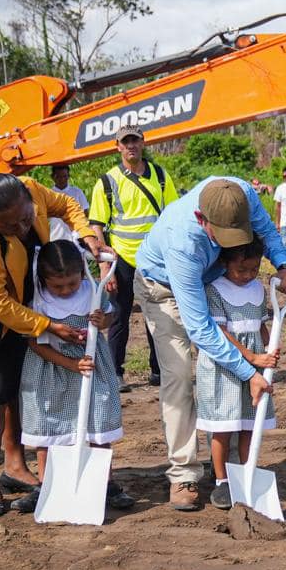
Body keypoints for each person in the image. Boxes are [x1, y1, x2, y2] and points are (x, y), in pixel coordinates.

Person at [135, 177, 286, 511]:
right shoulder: (183, 242)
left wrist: (283, 265)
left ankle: (227, 469)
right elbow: (201, 329)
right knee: (180, 375)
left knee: (221, 378)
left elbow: (267, 231)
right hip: (164, 289)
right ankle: (184, 473)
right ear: (201, 219)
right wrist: (250, 371)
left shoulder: (242, 194)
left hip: (214, 280)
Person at [0, 173, 102, 518]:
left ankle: (16, 465)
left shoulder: (31, 188)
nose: (24, 227)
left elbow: (66, 204)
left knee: (18, 389)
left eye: (27, 217)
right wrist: (49, 326)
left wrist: (85, 231)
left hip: (28, 311)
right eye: (12, 225)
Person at [19, 241, 133, 511]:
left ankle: (105, 482)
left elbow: (110, 316)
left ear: (82, 274)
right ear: (42, 279)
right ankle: (46, 484)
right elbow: (36, 343)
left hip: (92, 369)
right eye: (57, 286)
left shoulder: (92, 291)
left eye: (71, 283)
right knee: (51, 425)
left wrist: (100, 321)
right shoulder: (38, 300)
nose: (66, 290)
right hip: (53, 369)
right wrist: (70, 363)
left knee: (98, 422)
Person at [89, 124, 179, 392]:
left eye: (135, 140)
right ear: (117, 147)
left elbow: (172, 216)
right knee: (118, 317)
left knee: (159, 315)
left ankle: (157, 369)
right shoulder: (107, 182)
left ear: (143, 143)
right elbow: (96, 225)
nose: (131, 146)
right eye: (125, 142)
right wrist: (106, 267)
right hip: (122, 261)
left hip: (155, 261)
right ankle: (116, 372)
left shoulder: (160, 176)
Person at [196, 238, 280, 510]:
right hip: (224, 369)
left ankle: (247, 472)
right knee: (224, 427)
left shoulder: (258, 289)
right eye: (241, 270)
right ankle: (222, 480)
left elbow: (261, 326)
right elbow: (221, 333)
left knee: (247, 425)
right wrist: (252, 356)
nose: (247, 276)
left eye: (254, 269)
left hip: (255, 364)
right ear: (224, 263)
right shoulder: (214, 290)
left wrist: (268, 348)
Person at [47, 164, 89, 244]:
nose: (62, 179)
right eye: (58, 177)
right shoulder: (49, 194)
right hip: (57, 233)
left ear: (68, 176)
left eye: (65, 176)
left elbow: (85, 212)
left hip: (77, 231)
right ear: (52, 177)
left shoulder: (77, 192)